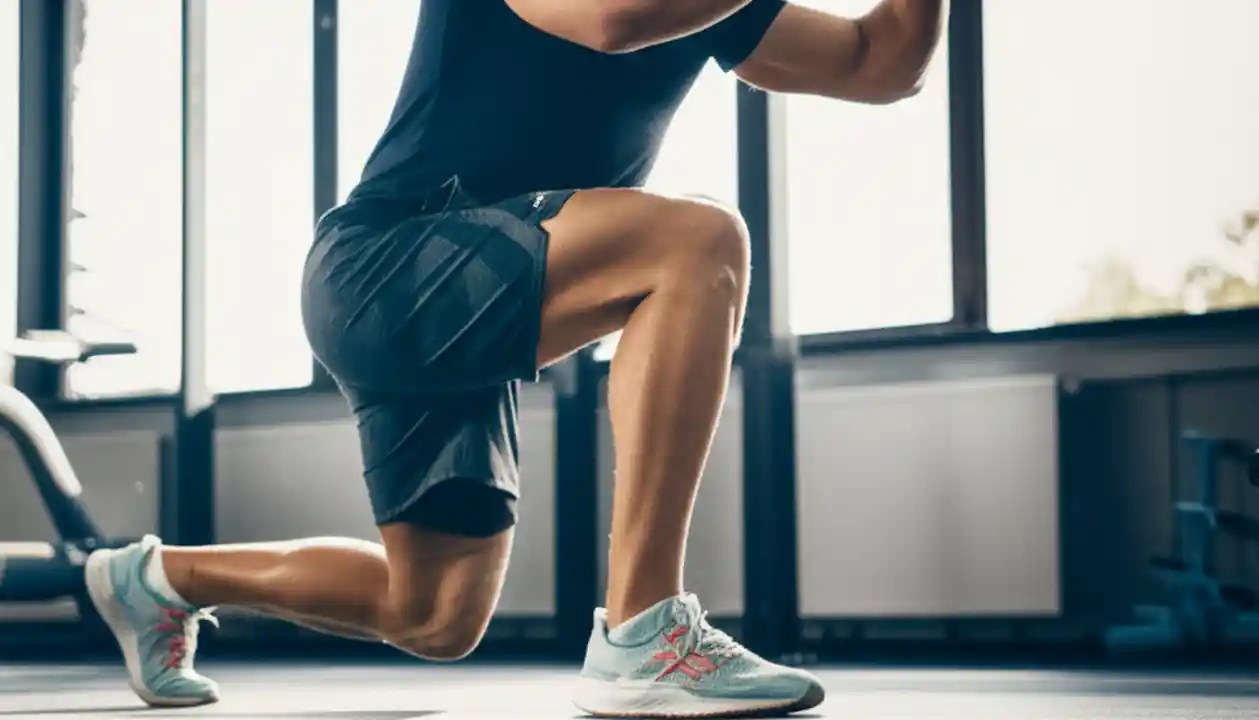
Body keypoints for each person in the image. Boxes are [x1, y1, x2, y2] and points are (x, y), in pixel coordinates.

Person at [84, 0, 945, 716]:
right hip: (387, 265)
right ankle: (644, 633)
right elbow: (613, 16)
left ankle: (154, 578)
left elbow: (883, 61)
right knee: (699, 242)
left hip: (464, 288)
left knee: (434, 613)